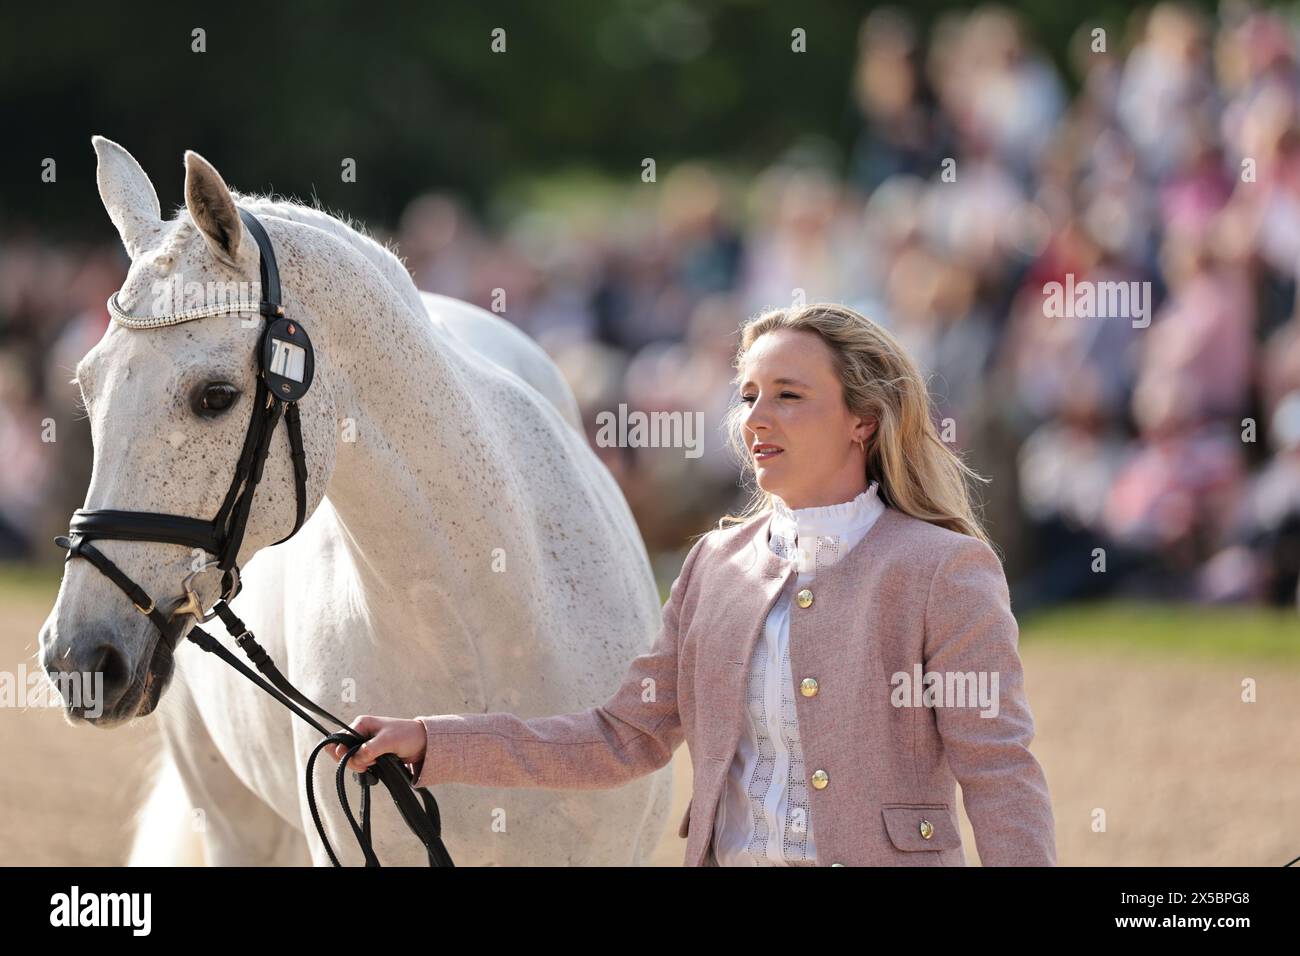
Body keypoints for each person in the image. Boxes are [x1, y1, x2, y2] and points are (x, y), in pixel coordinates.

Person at [328, 302, 1057, 866]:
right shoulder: (714, 565)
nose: (755, 419)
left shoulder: (943, 571)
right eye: (747, 395)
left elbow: (998, 772)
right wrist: (432, 741)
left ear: (862, 421)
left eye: (788, 396)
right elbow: (619, 738)